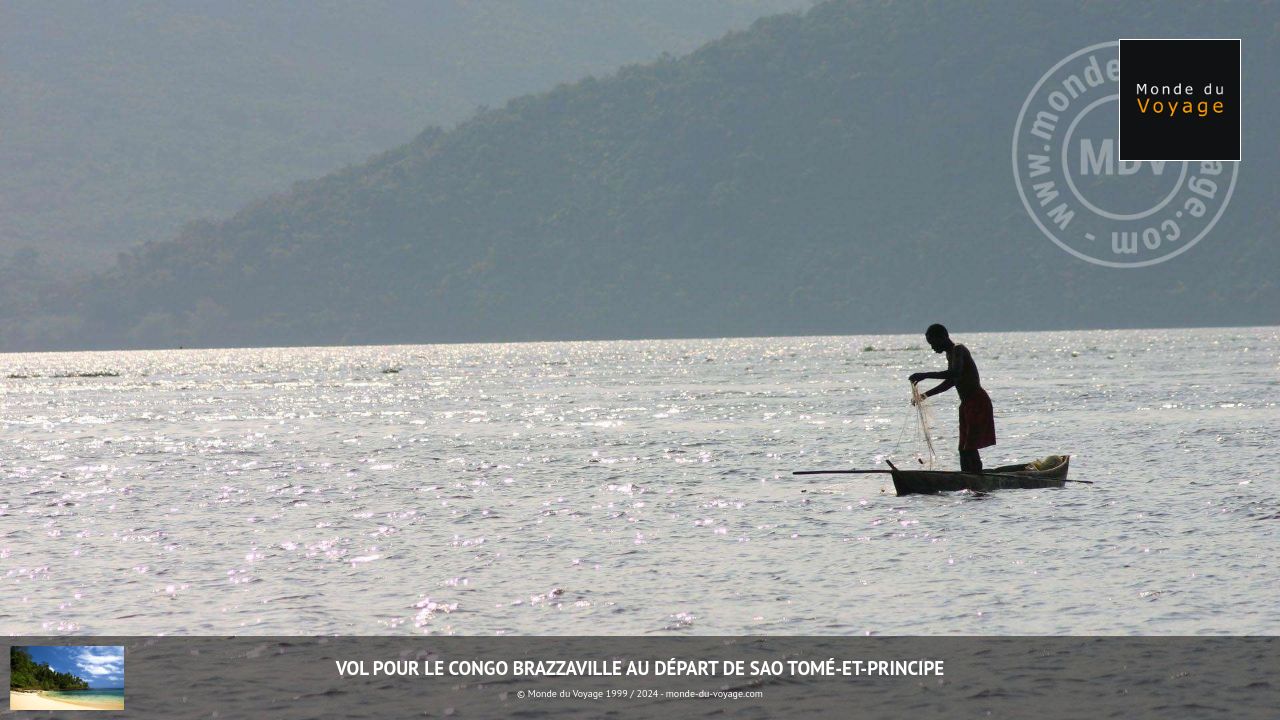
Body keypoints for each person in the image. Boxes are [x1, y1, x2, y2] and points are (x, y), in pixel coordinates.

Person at [908, 324, 995, 472]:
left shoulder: (958, 349)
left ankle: (976, 480)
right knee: (963, 448)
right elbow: (951, 382)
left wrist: (924, 375)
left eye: (933, 343)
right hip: (967, 404)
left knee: (970, 447)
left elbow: (954, 373)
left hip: (977, 402)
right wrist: (924, 395)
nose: (933, 348)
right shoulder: (950, 354)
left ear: (943, 337)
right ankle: (967, 478)